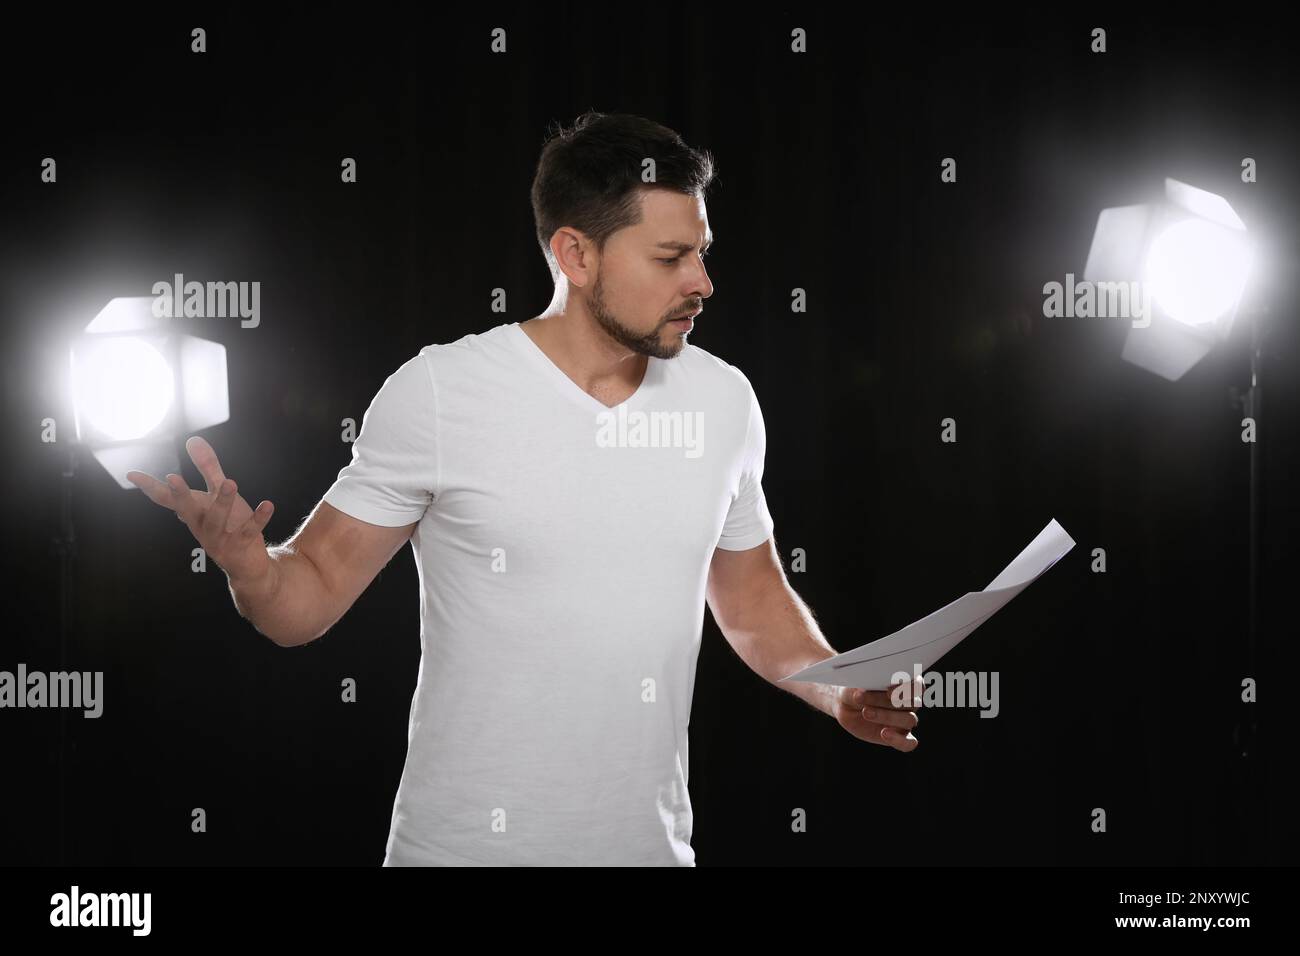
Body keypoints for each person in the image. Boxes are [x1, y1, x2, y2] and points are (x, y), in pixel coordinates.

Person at [128, 111, 920, 867]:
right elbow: (305, 602)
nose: (703, 281)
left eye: (703, 252)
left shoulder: (725, 401)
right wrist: (247, 563)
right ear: (576, 255)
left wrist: (837, 688)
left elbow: (750, 603)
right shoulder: (442, 391)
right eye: (670, 257)